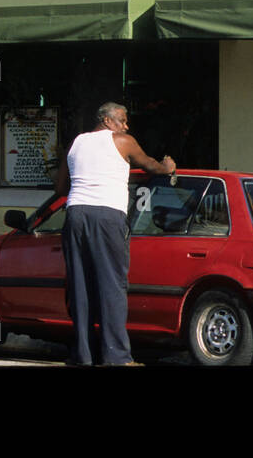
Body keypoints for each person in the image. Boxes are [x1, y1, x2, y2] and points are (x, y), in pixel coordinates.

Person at [54, 101, 175, 366]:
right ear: (107, 121)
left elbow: (61, 186)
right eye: (122, 119)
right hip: (107, 215)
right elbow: (150, 166)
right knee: (112, 285)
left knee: (80, 286)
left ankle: (82, 356)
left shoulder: (75, 143)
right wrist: (168, 166)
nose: (126, 125)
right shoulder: (123, 141)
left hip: (76, 214)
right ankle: (117, 357)